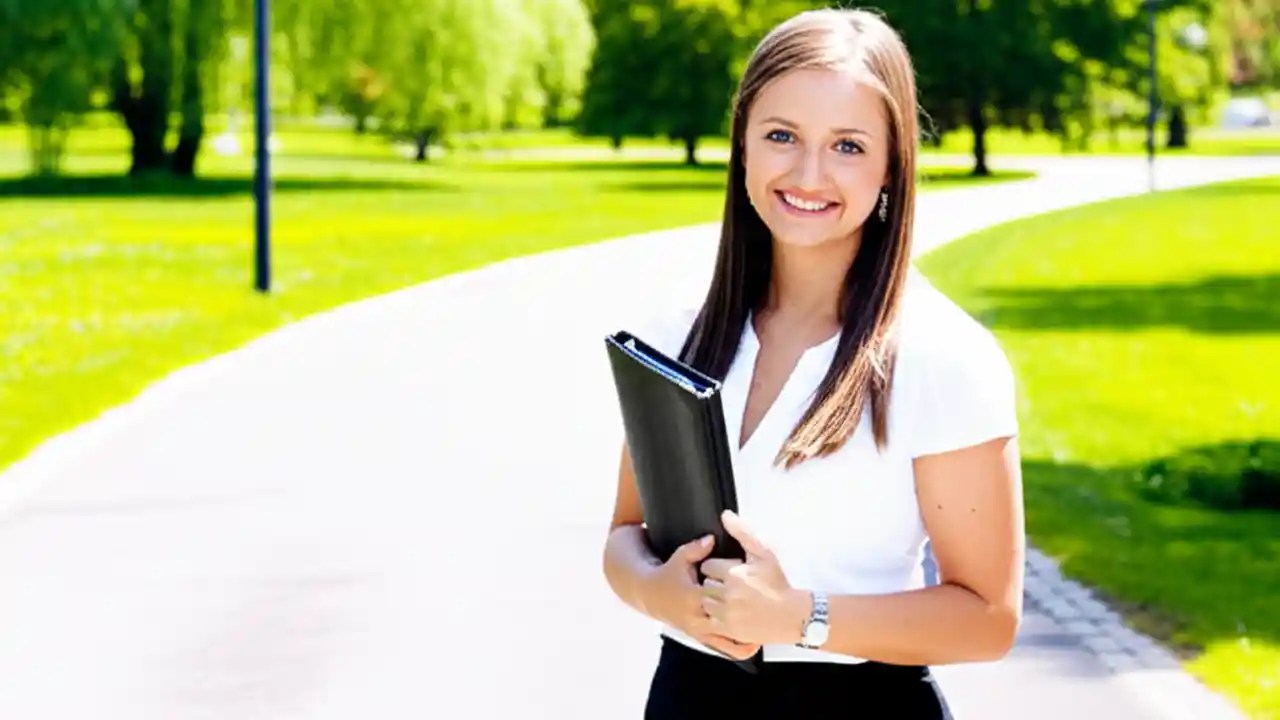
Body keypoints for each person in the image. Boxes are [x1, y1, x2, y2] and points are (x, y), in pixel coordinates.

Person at [601, 7, 1025, 719]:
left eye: (848, 146)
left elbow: (988, 617)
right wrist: (660, 592)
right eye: (781, 136)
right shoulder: (678, 327)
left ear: (892, 164)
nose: (808, 173)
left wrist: (796, 616)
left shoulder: (944, 358)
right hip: (687, 698)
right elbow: (624, 537)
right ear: (742, 146)